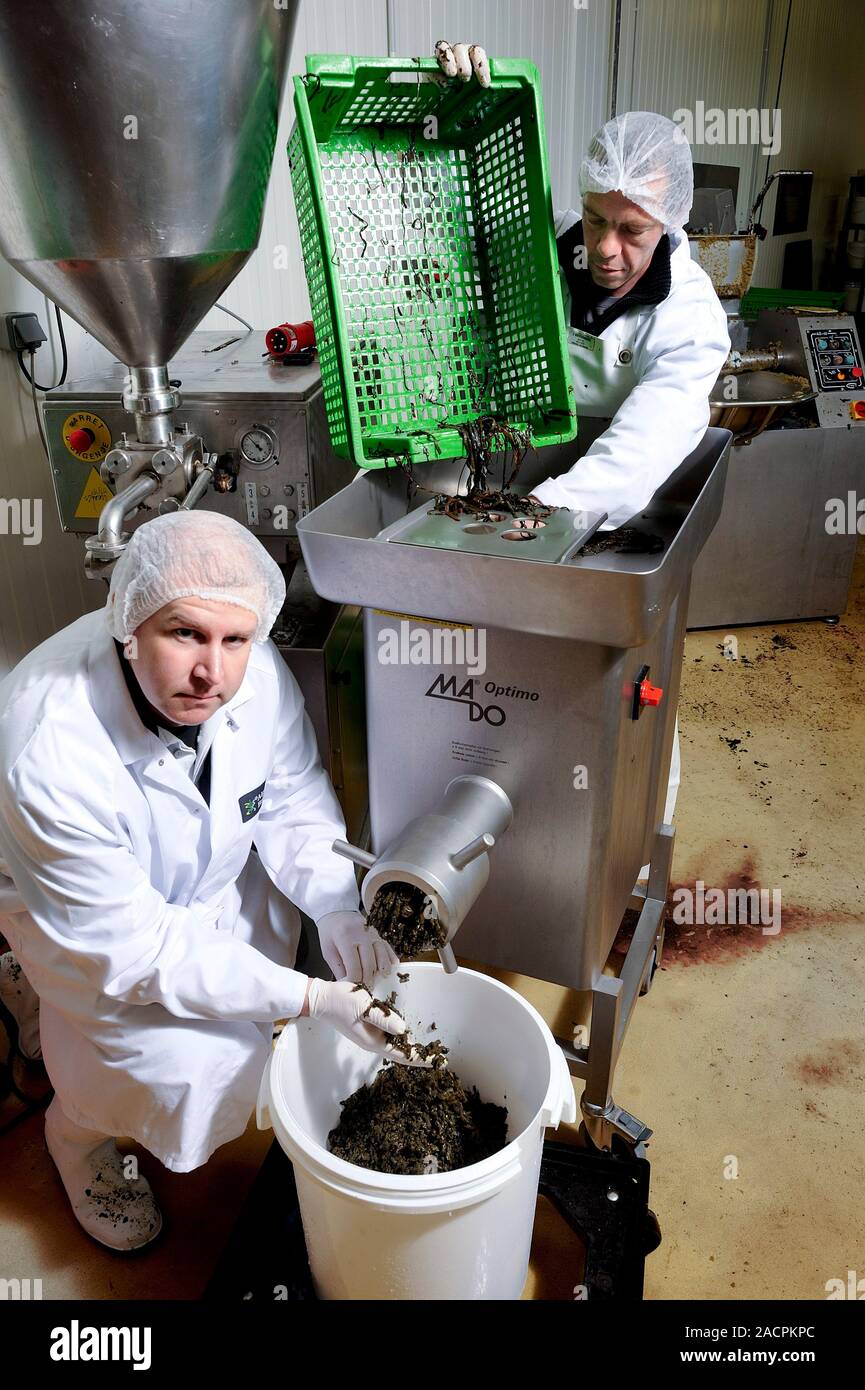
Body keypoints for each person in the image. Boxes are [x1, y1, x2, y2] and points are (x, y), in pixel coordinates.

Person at [0, 511, 422, 1252]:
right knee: (171, 1070)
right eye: (184, 634)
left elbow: (289, 797)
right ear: (129, 625)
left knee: (246, 1016)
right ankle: (74, 1136)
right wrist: (311, 995)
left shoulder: (250, 674)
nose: (213, 674)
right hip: (76, 907)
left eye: (234, 640)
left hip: (188, 888)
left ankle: (33, 998)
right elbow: (136, 949)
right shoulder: (50, 750)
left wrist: (335, 908)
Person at [435, 42, 732, 850]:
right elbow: (469, 202)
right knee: (516, 691)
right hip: (534, 475)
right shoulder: (554, 246)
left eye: (631, 231)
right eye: (596, 219)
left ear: (670, 225)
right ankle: (521, 833)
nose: (604, 248)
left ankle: (632, 846)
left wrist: (548, 506)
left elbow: (648, 440)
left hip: (612, 510)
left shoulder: (689, 318)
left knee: (625, 697)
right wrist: (471, 98)